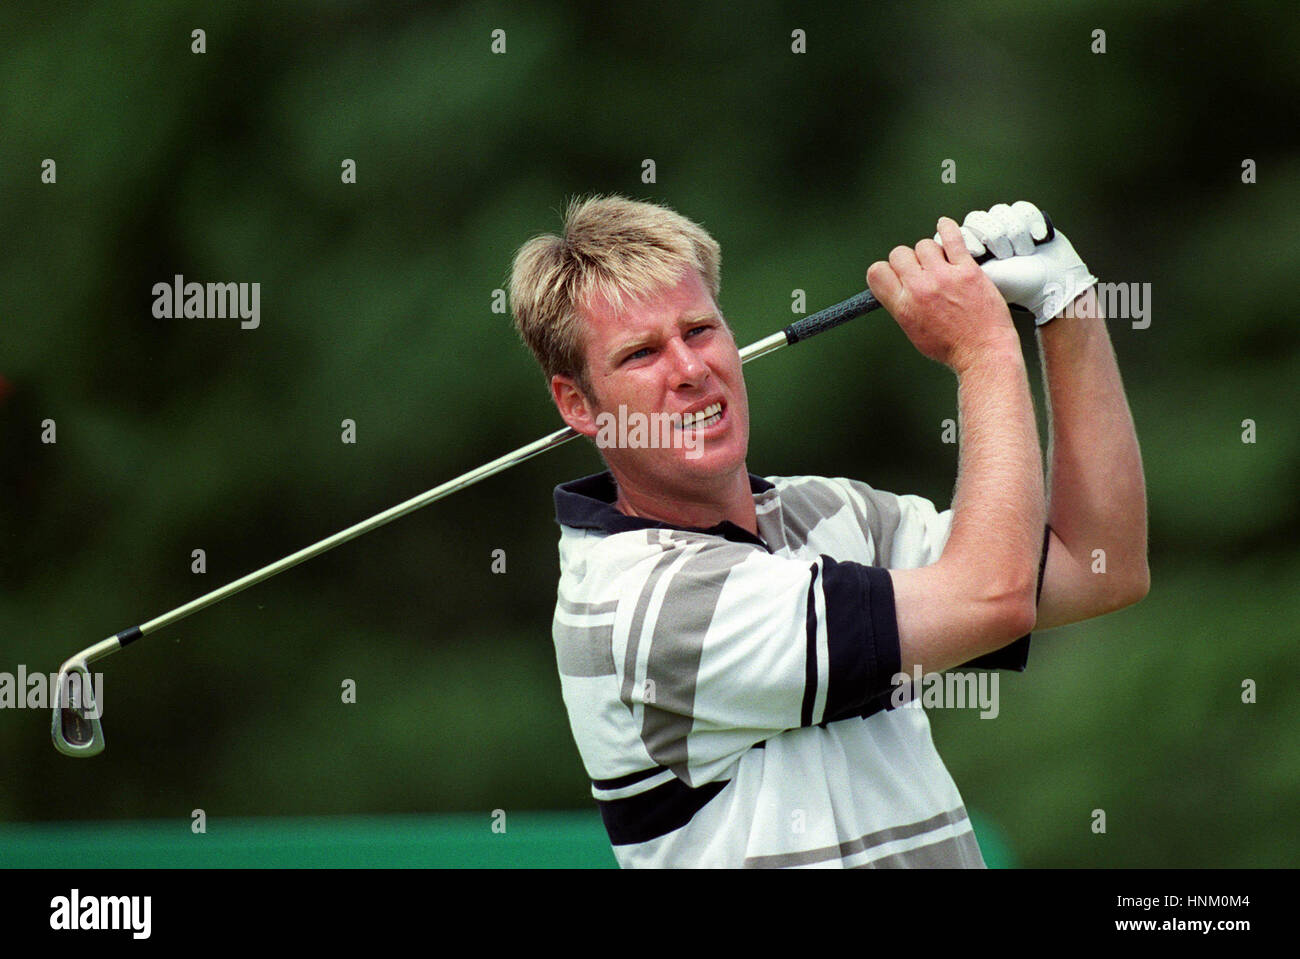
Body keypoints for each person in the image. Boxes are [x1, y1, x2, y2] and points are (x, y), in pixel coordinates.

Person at [508, 195, 1148, 868]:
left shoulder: (828, 512)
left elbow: (1100, 566)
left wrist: (1066, 304)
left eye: (698, 330)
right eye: (640, 353)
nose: (690, 369)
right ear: (578, 403)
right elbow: (994, 598)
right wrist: (985, 349)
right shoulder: (645, 604)